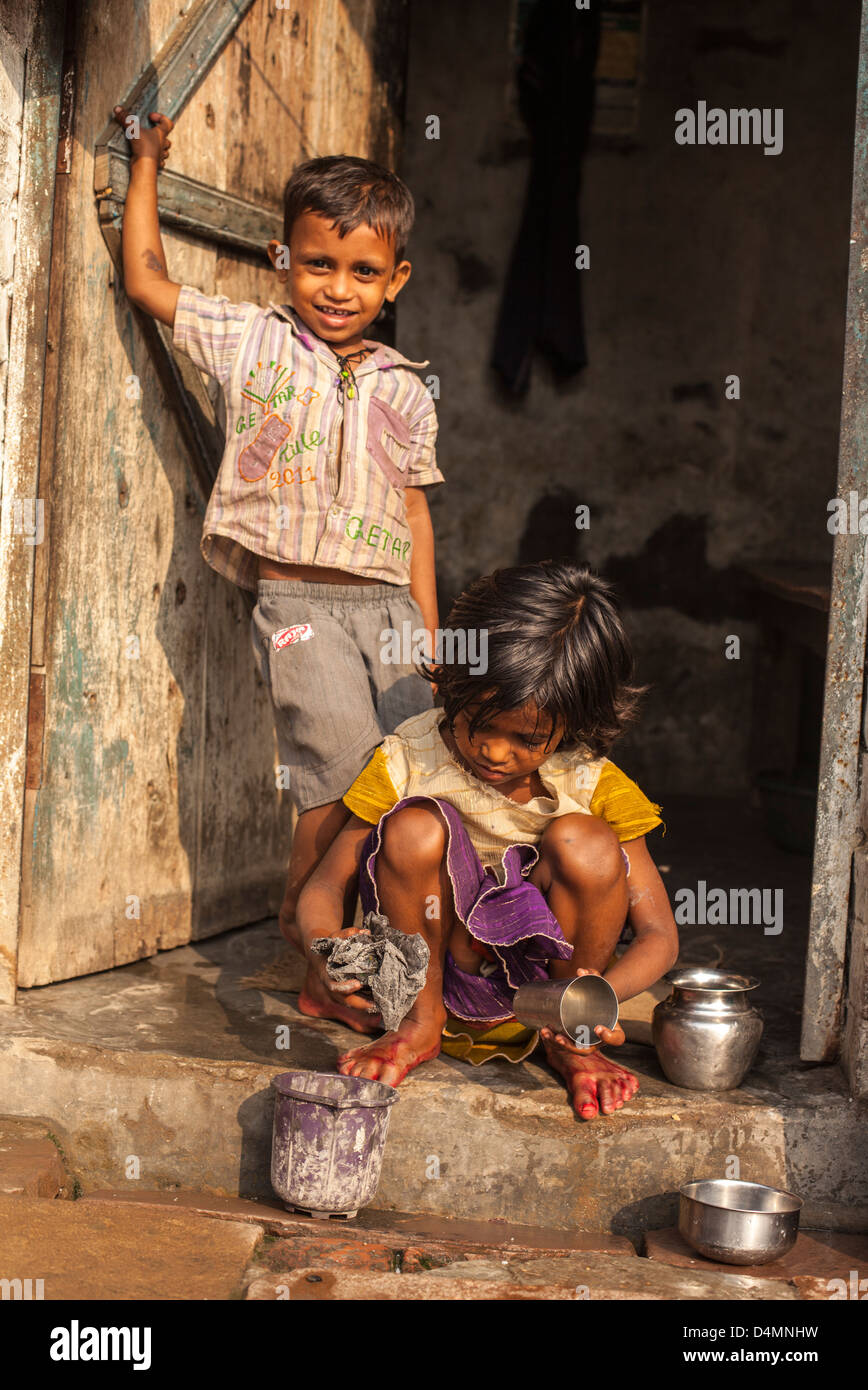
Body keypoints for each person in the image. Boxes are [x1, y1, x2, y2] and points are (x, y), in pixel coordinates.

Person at [113, 109, 442, 1004]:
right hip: (299, 606)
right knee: (333, 786)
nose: (338, 287)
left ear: (395, 279)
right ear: (281, 258)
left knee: (411, 785)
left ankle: (390, 954)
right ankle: (315, 952)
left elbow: (413, 512)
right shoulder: (249, 338)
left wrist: (432, 636)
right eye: (318, 263)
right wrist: (148, 161)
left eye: (364, 271)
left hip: (391, 614)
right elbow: (146, 281)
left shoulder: (406, 389)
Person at [296, 561, 680, 1120]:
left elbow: (659, 937)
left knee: (588, 844)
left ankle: (568, 1043)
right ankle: (419, 1026)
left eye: (527, 738)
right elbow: (324, 888)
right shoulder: (408, 760)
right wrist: (325, 950)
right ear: (453, 681)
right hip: (425, 982)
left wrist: (594, 1004)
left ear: (573, 722)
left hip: (545, 999)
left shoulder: (592, 782)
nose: (496, 753)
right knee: (413, 826)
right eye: (478, 722)